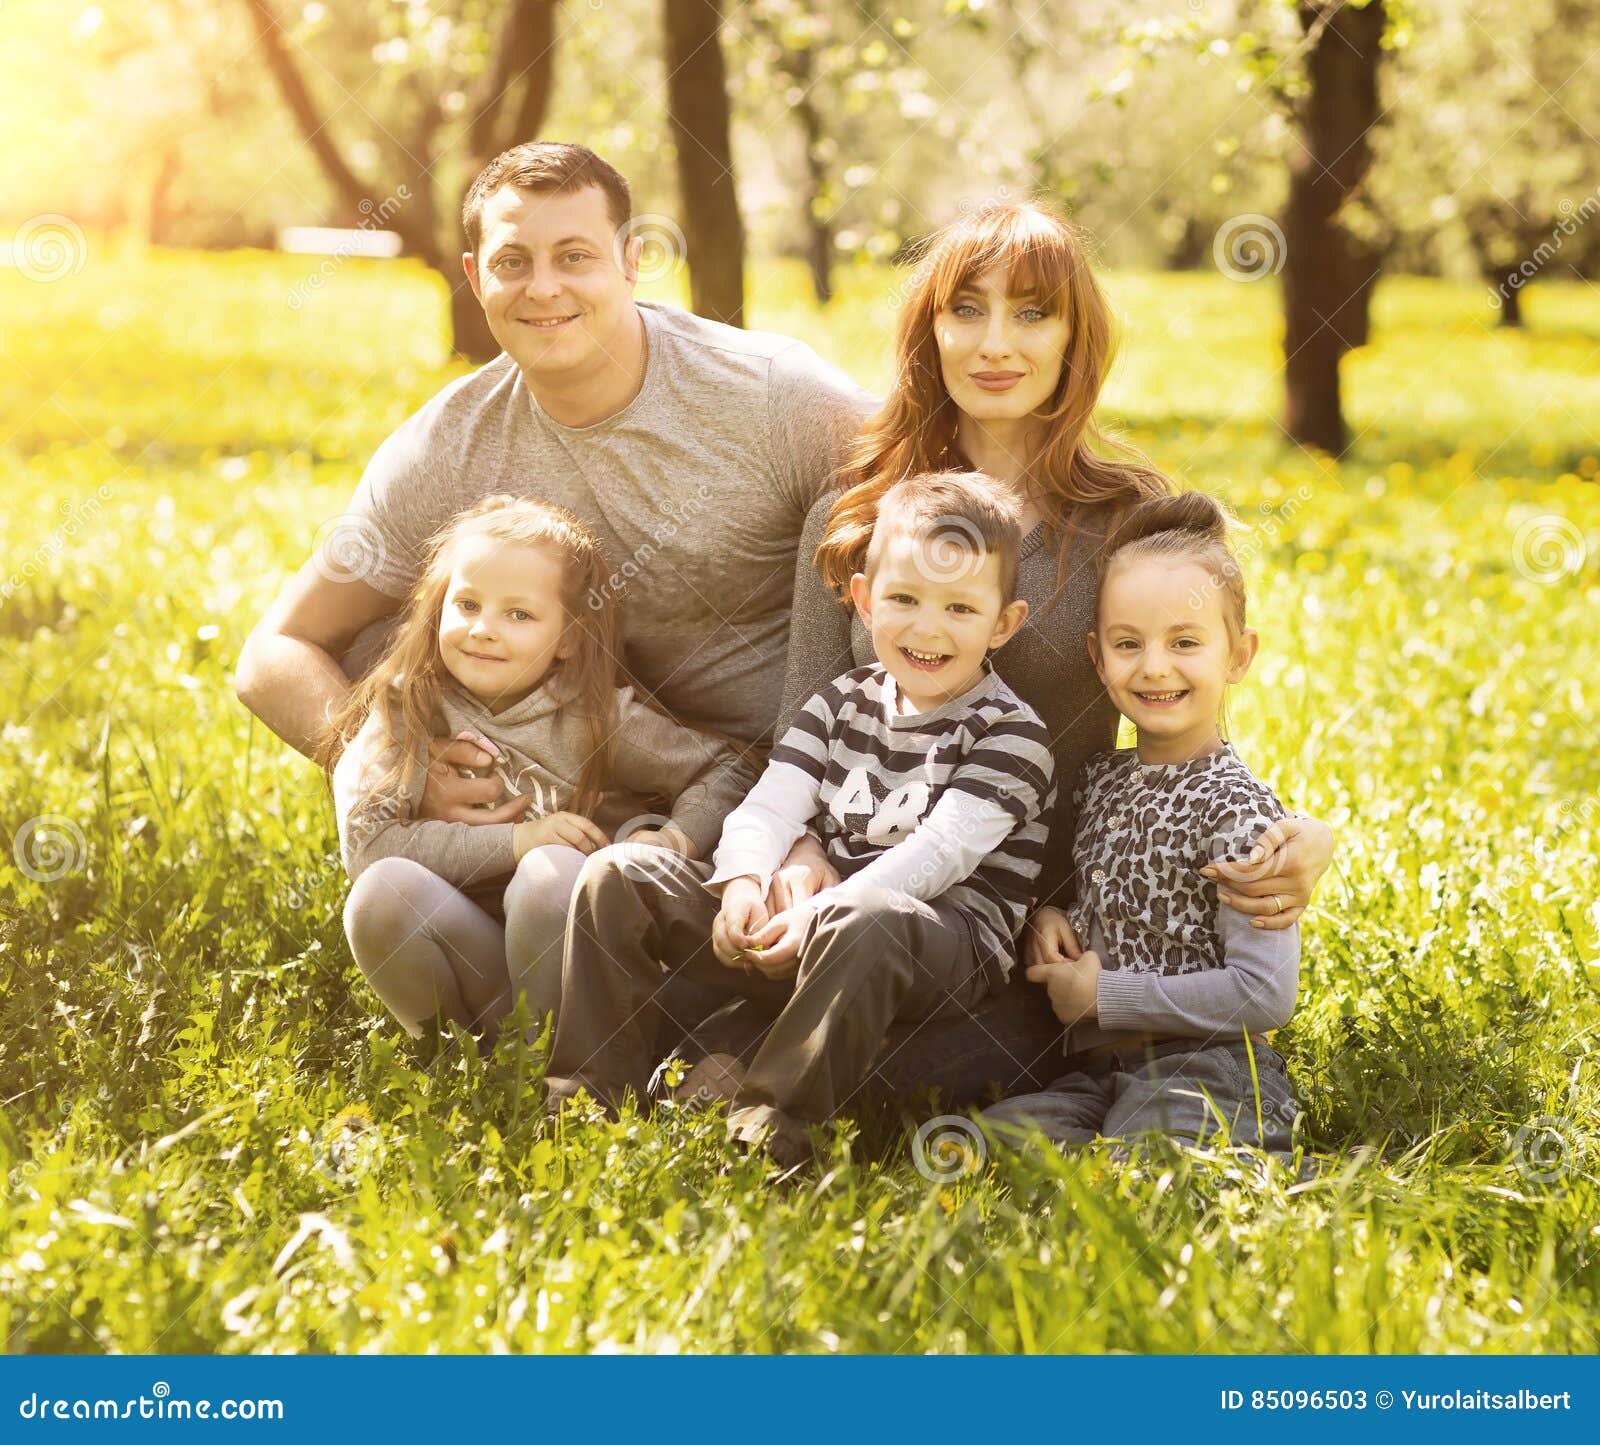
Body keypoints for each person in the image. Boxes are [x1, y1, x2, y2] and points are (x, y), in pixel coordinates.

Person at [709, 197, 1335, 1104]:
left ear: (1075, 338)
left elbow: (1183, 704)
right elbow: (802, 731)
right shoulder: (858, 517)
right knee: (704, 949)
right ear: (929, 331)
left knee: (897, 1085)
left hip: (1024, 932)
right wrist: (800, 852)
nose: (995, 343)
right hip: (842, 898)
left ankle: (767, 1070)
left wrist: (1299, 838)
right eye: (967, 310)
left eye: (1033, 312)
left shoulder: (1127, 519)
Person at [234, 141, 875, 934]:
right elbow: (273, 653)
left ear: (632, 261)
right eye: (513, 262)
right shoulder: (445, 450)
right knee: (386, 644)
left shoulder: (776, 397)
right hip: (564, 804)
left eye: (574, 256)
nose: (543, 288)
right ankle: (521, 955)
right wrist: (398, 767)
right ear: (475, 278)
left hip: (769, 787)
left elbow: (945, 518)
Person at [545, 473, 1055, 1166]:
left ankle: (769, 1135)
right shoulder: (841, 702)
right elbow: (769, 805)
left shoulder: (1011, 734)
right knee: (619, 874)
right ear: (865, 601)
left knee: (868, 918)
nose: (927, 627)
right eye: (904, 599)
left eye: (960, 608)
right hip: (814, 919)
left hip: (937, 943)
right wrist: (744, 885)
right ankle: (586, 1101)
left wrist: (820, 915)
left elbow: (937, 857)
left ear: (1004, 623)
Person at [325, 495, 748, 1046]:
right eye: (467, 604)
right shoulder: (407, 708)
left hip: (577, 972)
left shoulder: (596, 718)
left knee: (549, 872)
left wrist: (672, 840)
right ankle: (466, 1061)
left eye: (518, 614)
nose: (483, 629)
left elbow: (728, 769)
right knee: (380, 894)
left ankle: (562, 1064)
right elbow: (367, 847)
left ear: (568, 638)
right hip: (475, 956)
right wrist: (518, 840)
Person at [983, 491, 1301, 1152]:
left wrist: (1106, 996)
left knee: (1154, 1167)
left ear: (1238, 655)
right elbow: (1101, 901)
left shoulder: (1237, 810)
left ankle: (1234, 1162)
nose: (1154, 666)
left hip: (1207, 1063)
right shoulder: (1099, 780)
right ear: (1098, 657)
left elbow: (1265, 993)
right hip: (1101, 1072)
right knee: (997, 1142)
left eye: (1185, 642)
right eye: (1129, 644)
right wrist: (1052, 919)